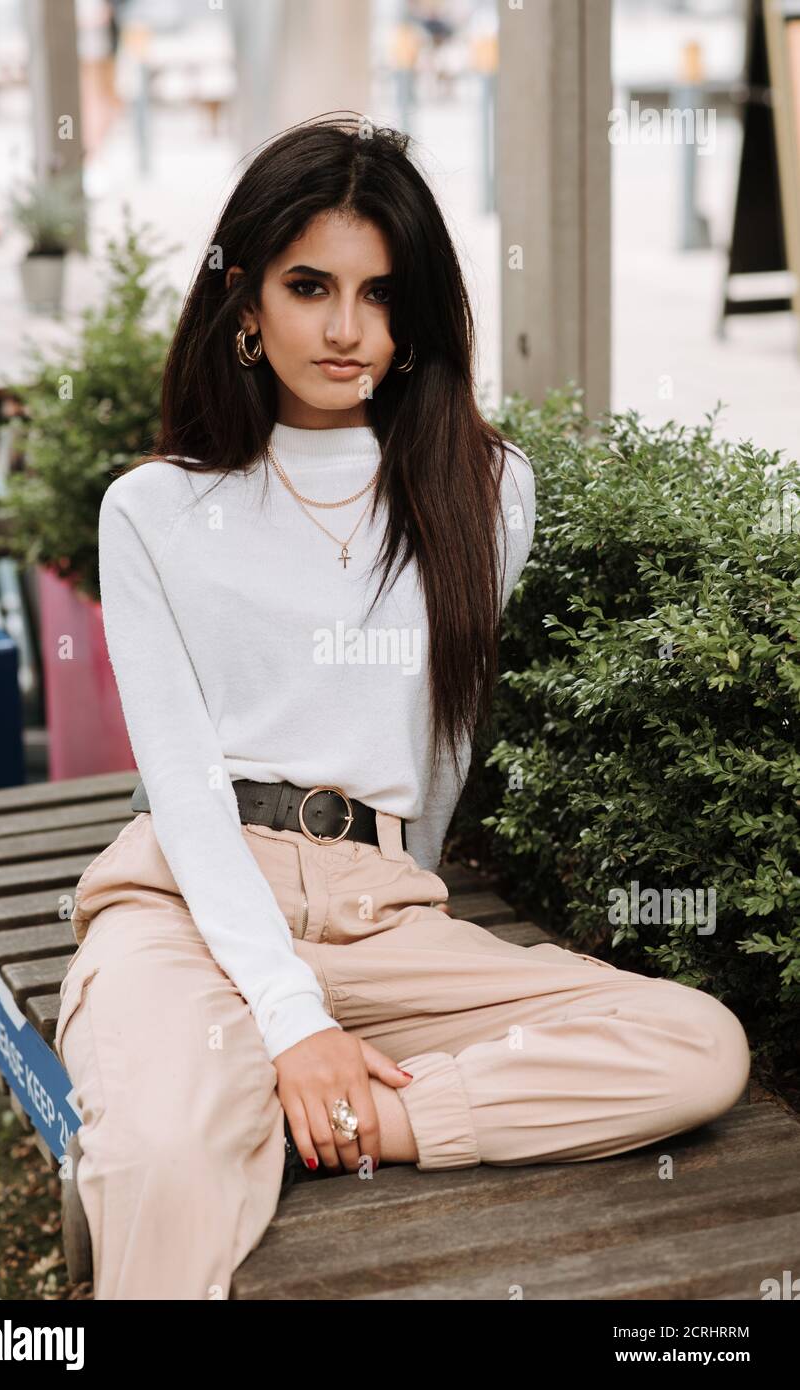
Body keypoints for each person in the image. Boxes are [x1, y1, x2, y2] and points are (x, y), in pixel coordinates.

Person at [55, 115, 751, 1301]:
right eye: (308, 285)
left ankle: (331, 1126)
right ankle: (214, 1121)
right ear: (244, 300)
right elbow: (178, 786)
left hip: (384, 919)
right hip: (192, 901)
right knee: (164, 1157)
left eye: (380, 295)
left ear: (415, 313)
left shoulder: (484, 490)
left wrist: (340, 1029)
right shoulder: (155, 510)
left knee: (698, 1044)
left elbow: (438, 755)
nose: (345, 330)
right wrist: (284, 1012)